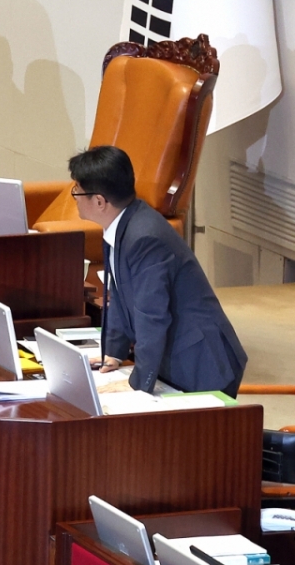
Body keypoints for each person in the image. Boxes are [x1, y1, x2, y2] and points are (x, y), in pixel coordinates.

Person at [69, 146, 247, 397]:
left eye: (77, 190)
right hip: (176, 357)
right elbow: (119, 295)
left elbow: (151, 315)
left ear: (99, 201)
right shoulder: (120, 224)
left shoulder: (144, 237)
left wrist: (138, 385)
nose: (74, 196)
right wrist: (114, 353)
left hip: (202, 363)